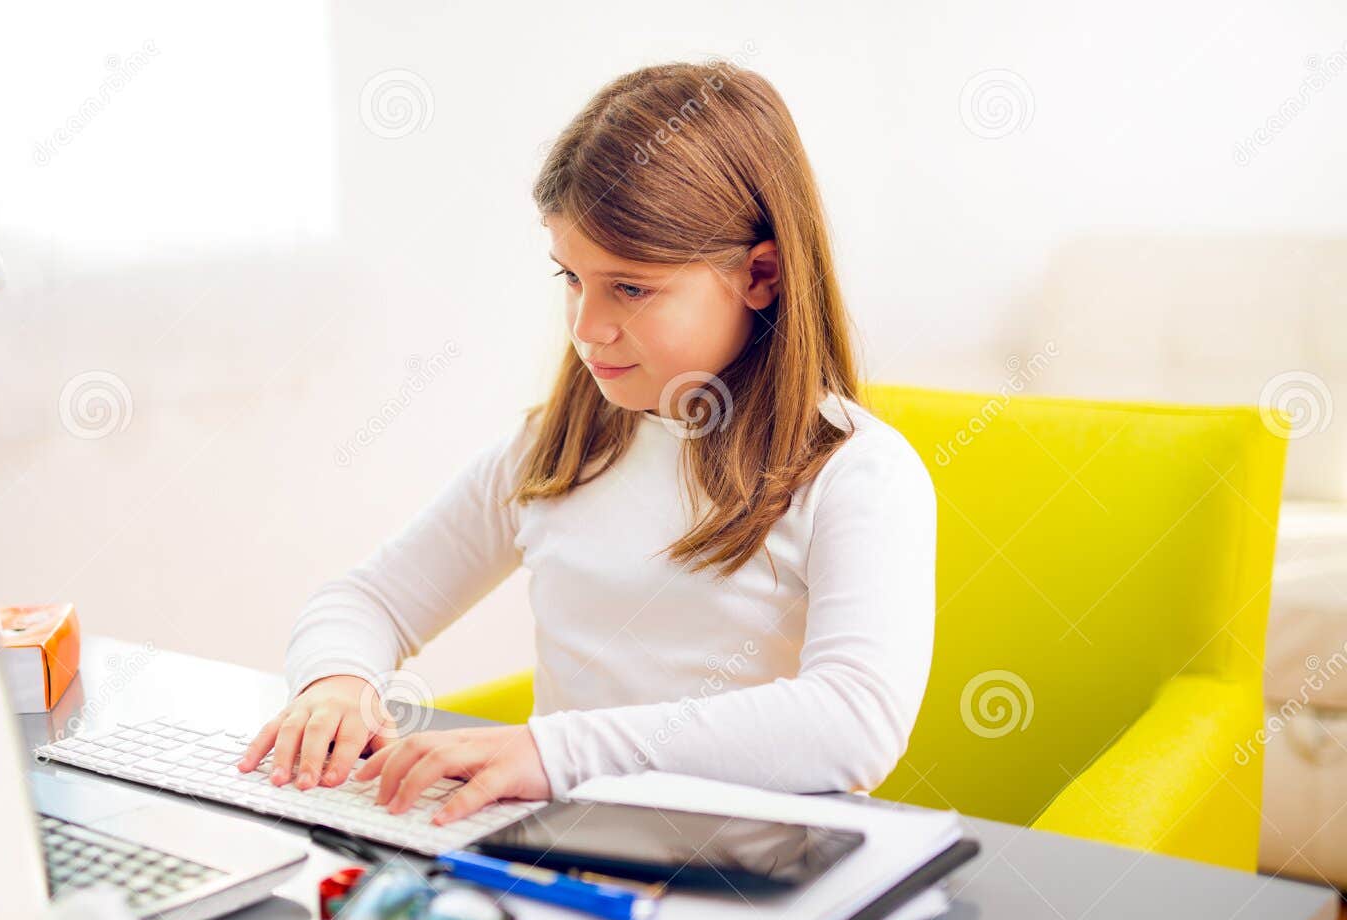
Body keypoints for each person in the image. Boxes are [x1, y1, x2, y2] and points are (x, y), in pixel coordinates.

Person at [238, 61, 937, 826]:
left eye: (630, 288)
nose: (587, 326)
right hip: (568, 857)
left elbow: (854, 720)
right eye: (571, 277)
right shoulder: (554, 450)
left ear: (761, 275)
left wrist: (555, 753)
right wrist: (335, 681)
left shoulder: (859, 474)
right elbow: (368, 599)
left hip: (757, 869)